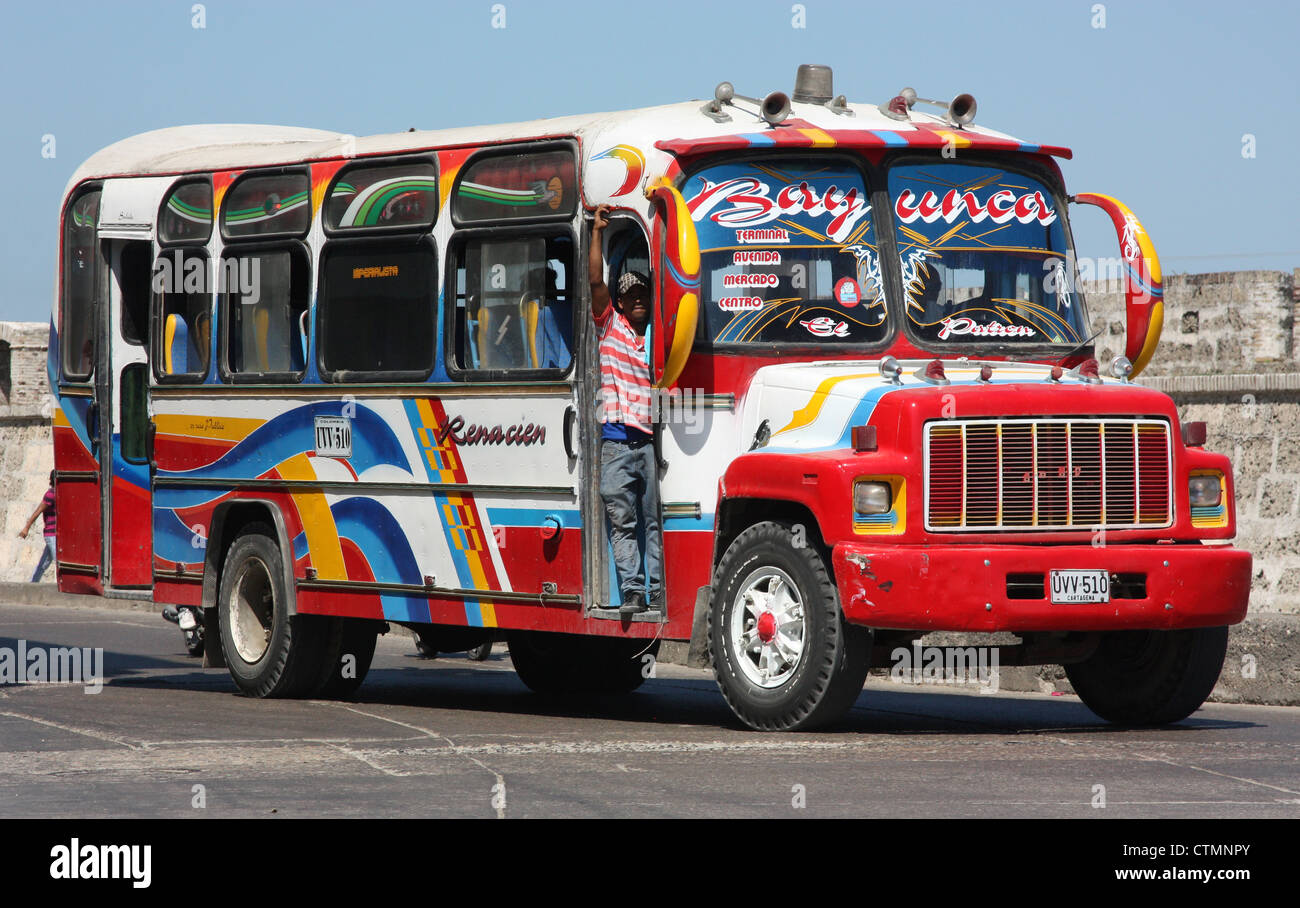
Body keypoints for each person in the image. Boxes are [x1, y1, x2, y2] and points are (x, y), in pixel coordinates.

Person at [590, 204, 662, 616]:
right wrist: (598, 233)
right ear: (618, 301)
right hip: (617, 443)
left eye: (643, 294)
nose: (637, 299)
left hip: (648, 443)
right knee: (624, 523)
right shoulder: (611, 326)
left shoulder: (656, 336)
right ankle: (633, 591)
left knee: (653, 523)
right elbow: (595, 279)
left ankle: (657, 591)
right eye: (630, 294)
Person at [18, 472, 57, 582]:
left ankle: (33, 583)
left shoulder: (59, 494)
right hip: (51, 534)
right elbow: (38, 511)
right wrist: (27, 527)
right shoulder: (50, 495)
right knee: (59, 562)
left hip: (56, 534)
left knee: (44, 563)